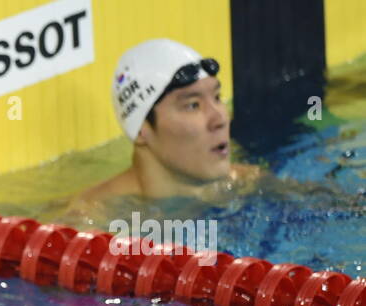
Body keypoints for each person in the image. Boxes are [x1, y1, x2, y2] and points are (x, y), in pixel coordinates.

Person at [70, 38, 260, 212]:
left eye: (217, 97)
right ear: (142, 131)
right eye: (193, 105)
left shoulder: (249, 183)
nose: (220, 119)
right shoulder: (92, 216)